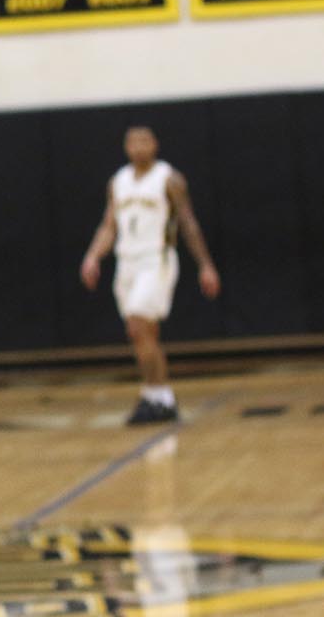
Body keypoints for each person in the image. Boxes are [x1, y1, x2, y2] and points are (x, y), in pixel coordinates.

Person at [80, 126, 222, 424]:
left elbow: (188, 223)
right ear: (125, 147)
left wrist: (205, 265)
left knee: (137, 325)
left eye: (144, 141)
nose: (139, 146)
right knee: (144, 334)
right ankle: (157, 397)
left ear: (155, 144)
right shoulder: (118, 181)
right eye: (133, 141)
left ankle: (158, 396)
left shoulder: (169, 179)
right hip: (126, 262)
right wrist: (93, 255)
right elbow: (109, 225)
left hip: (156, 259)